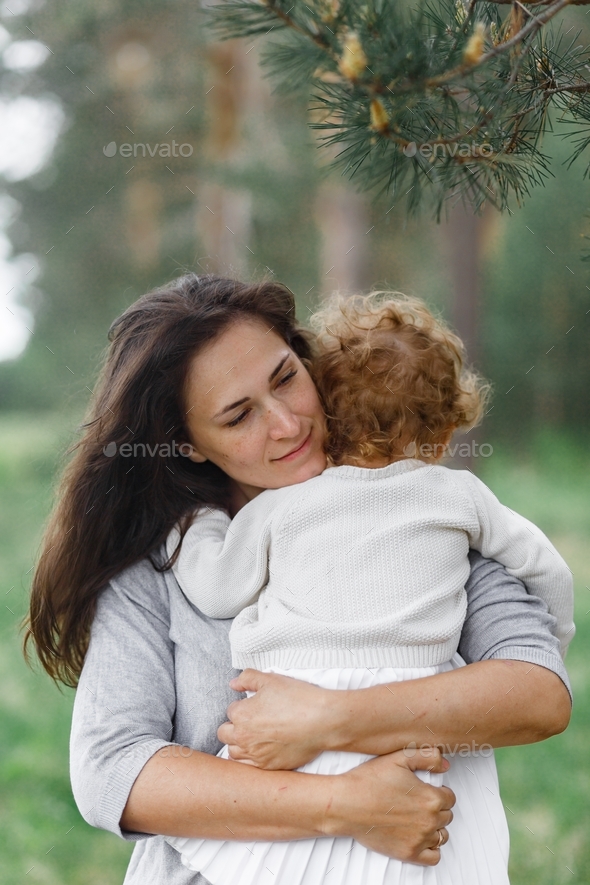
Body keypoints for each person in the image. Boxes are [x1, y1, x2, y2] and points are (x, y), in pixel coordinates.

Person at [24, 275, 572, 885]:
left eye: (285, 377)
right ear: (190, 444)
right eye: (238, 417)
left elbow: (537, 695)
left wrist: (334, 718)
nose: (287, 425)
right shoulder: (161, 567)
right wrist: (342, 805)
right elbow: (112, 770)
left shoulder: (427, 523)